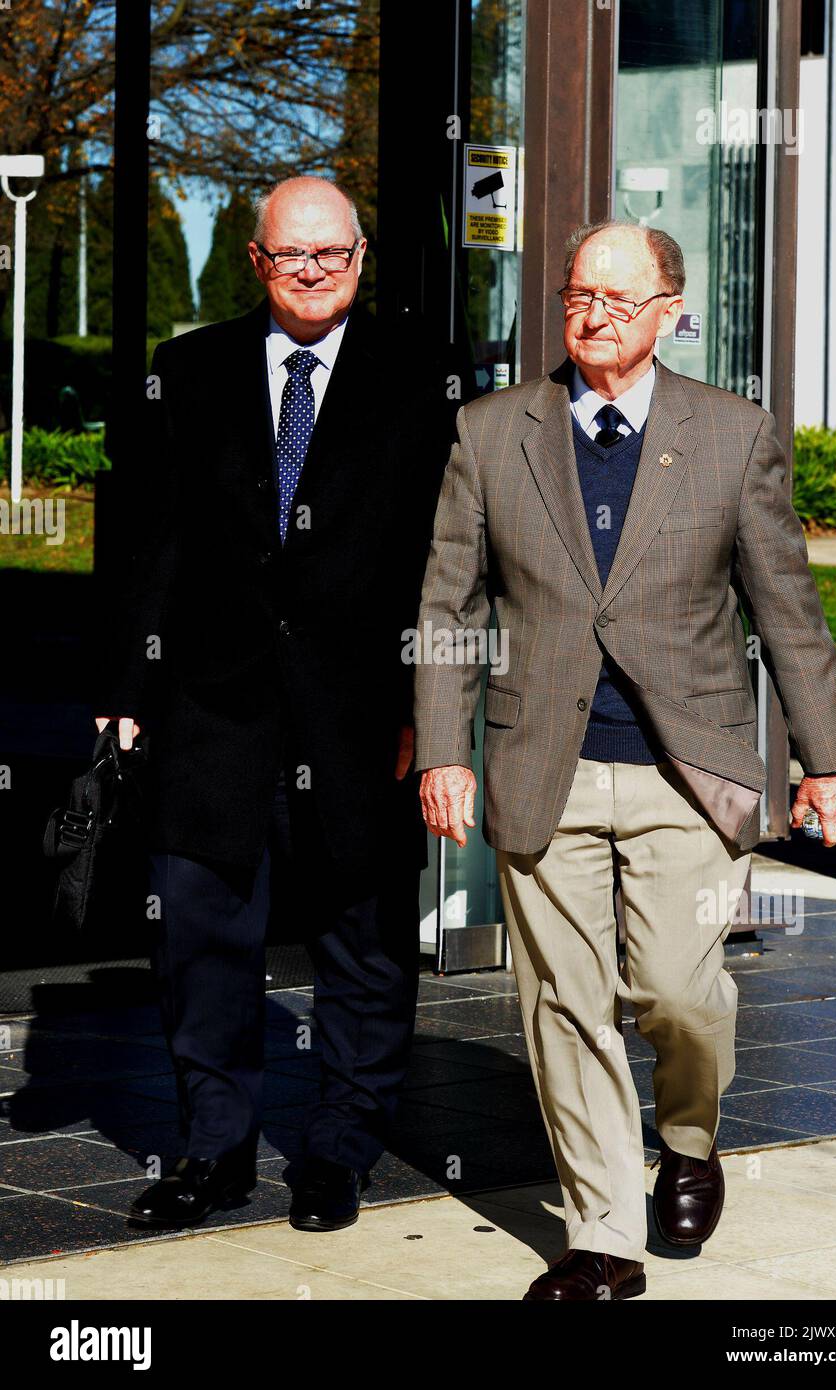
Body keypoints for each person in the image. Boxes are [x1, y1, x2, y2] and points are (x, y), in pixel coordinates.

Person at [413, 219, 836, 1301]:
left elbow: (785, 612)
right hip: (539, 763)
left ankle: (690, 1140)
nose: (592, 314)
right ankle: (603, 1236)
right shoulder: (490, 431)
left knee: (676, 991)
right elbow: (447, 604)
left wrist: (823, 760)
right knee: (561, 1003)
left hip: (687, 767)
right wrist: (442, 747)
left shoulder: (730, 433)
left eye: (617, 299)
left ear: (669, 310)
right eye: (577, 295)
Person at [94, 175, 448, 1233]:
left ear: (360, 256)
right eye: (289, 256)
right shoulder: (187, 371)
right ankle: (213, 1152)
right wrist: (124, 691)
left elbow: (446, 557)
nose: (310, 272)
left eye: (330, 255)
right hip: (210, 712)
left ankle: (339, 1147)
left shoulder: (420, 379)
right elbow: (143, 545)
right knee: (201, 944)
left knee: (363, 943)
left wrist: (431, 717)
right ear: (255, 262)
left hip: (362, 718)